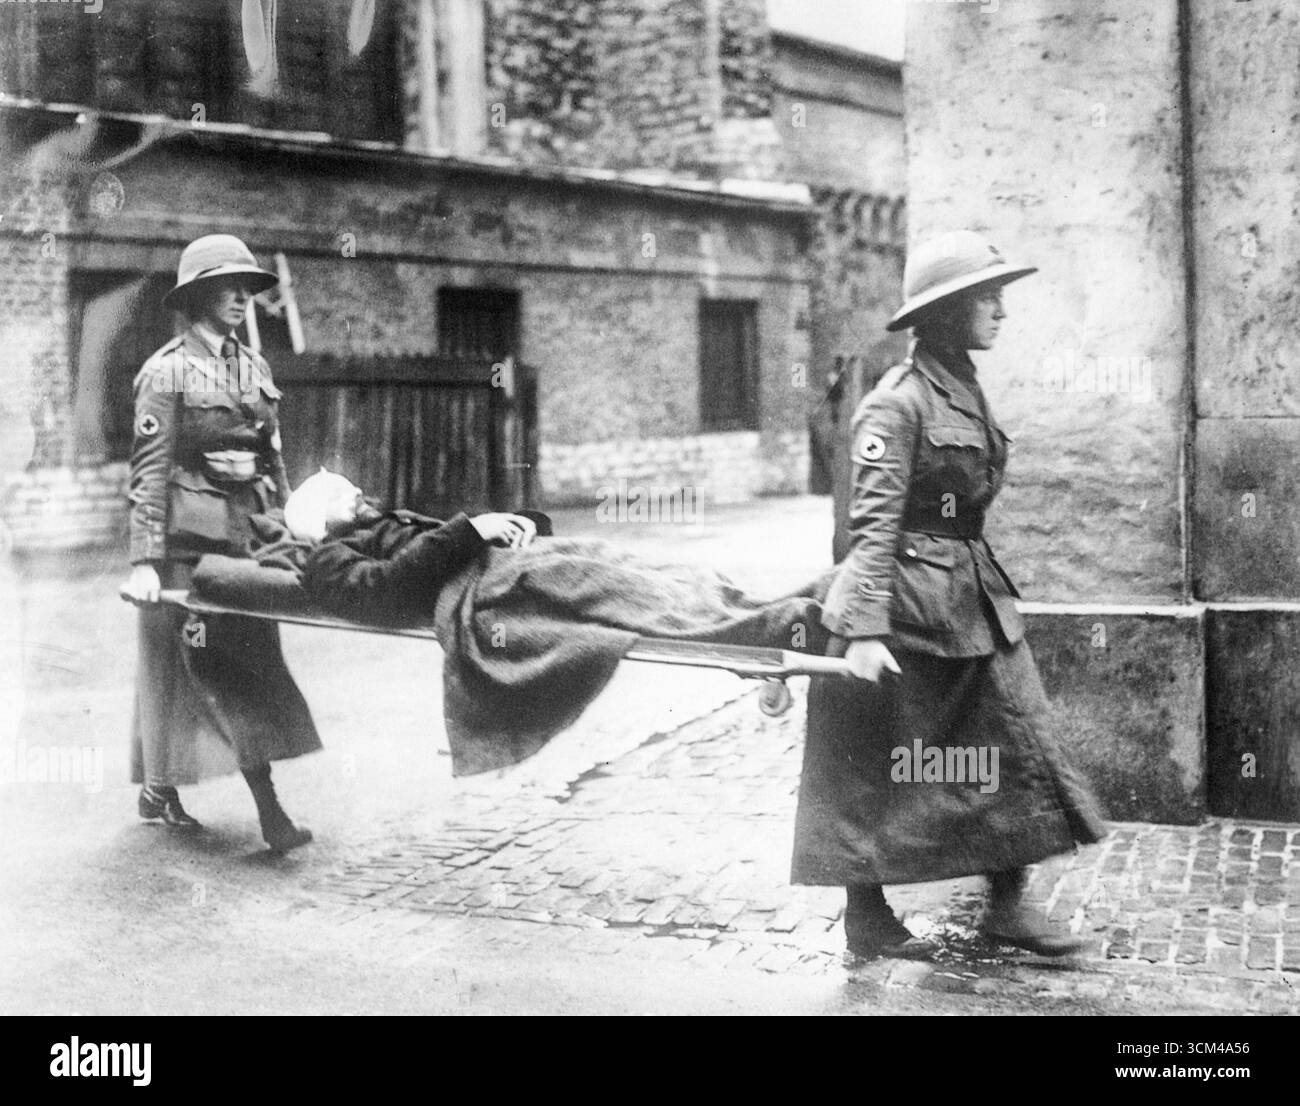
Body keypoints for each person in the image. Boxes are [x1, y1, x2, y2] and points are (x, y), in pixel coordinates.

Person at [790, 231, 1107, 960]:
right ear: (946, 311)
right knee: (872, 755)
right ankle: (866, 917)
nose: (1001, 309)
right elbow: (870, 523)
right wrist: (864, 630)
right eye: (985, 297)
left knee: (1012, 737)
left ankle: (1005, 903)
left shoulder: (959, 382)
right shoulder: (894, 405)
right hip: (906, 606)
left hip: (970, 593)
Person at [120, 234, 319, 853]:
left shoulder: (254, 368)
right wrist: (146, 561)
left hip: (247, 536)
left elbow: (274, 459)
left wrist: (292, 529)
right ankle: (234, 804)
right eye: (227, 286)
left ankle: (165, 789)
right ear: (199, 295)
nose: (241, 297)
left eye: (247, 287)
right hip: (187, 540)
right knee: (177, 672)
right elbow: (148, 473)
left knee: (248, 665)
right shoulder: (164, 371)